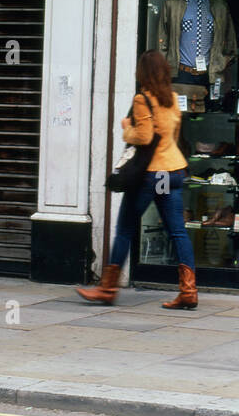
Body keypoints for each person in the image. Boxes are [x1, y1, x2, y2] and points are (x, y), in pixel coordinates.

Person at [77, 50, 199, 310]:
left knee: (124, 230)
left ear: (142, 73)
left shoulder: (143, 99)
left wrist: (125, 127)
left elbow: (143, 138)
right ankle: (188, 291)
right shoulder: (174, 99)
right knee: (177, 231)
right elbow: (174, 137)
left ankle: (107, 289)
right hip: (172, 172)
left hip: (151, 175)